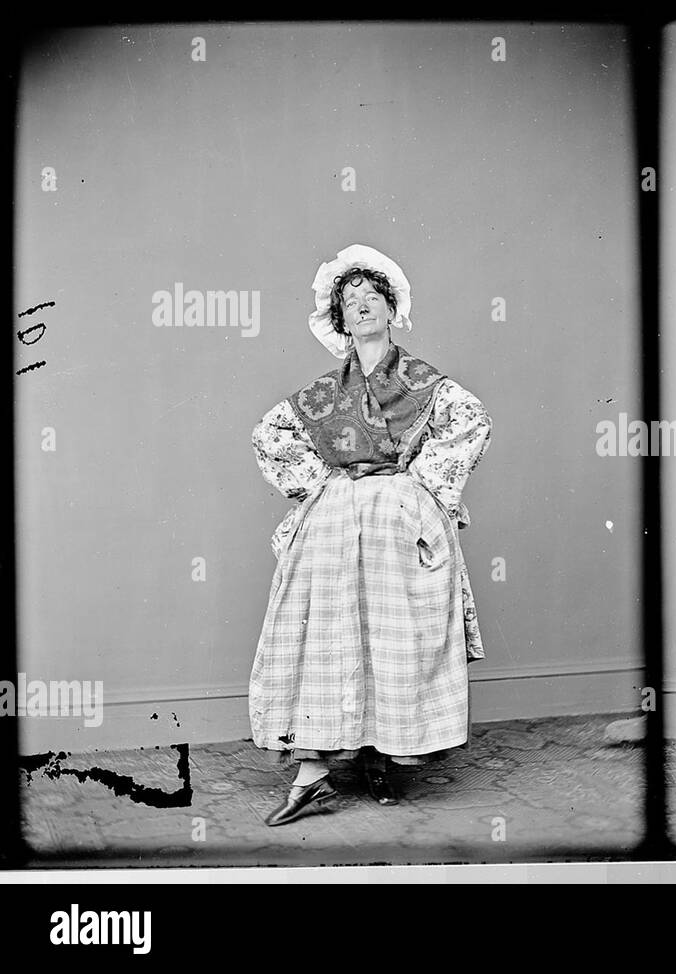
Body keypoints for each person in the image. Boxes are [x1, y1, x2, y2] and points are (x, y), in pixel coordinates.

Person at [249, 244, 492, 827]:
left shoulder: (422, 380)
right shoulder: (326, 392)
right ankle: (315, 772)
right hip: (336, 519)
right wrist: (323, 485)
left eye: (371, 298)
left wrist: (420, 489)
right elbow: (270, 434)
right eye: (349, 301)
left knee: (391, 634)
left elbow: (471, 421)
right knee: (330, 634)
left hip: (397, 518)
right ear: (338, 319)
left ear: (392, 309)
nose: (361, 308)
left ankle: (384, 756)